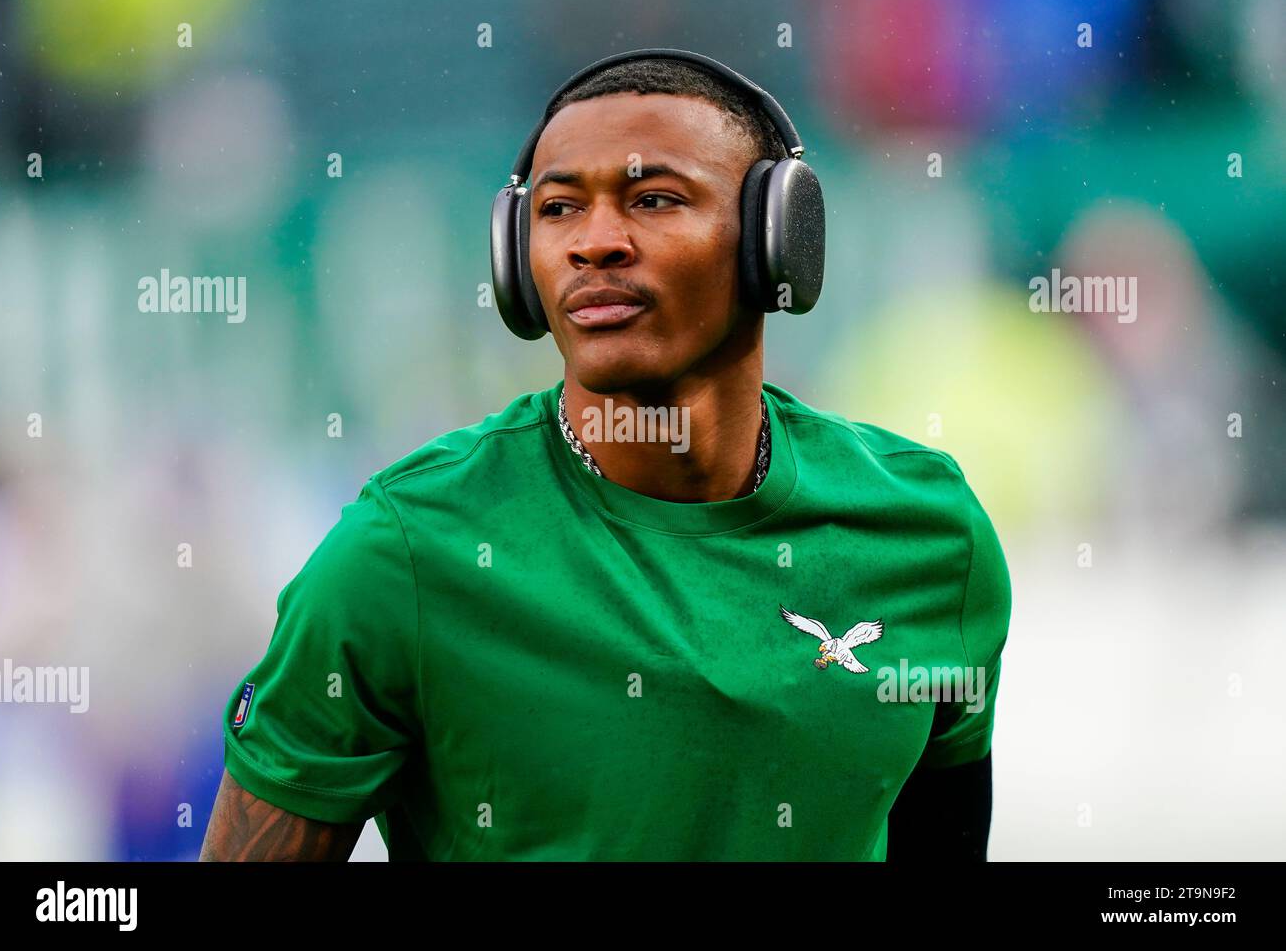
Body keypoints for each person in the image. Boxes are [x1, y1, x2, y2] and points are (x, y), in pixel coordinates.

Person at [200, 49, 1011, 862]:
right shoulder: (403, 555)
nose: (594, 243)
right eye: (557, 210)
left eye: (653, 199)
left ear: (779, 240)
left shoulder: (931, 538)